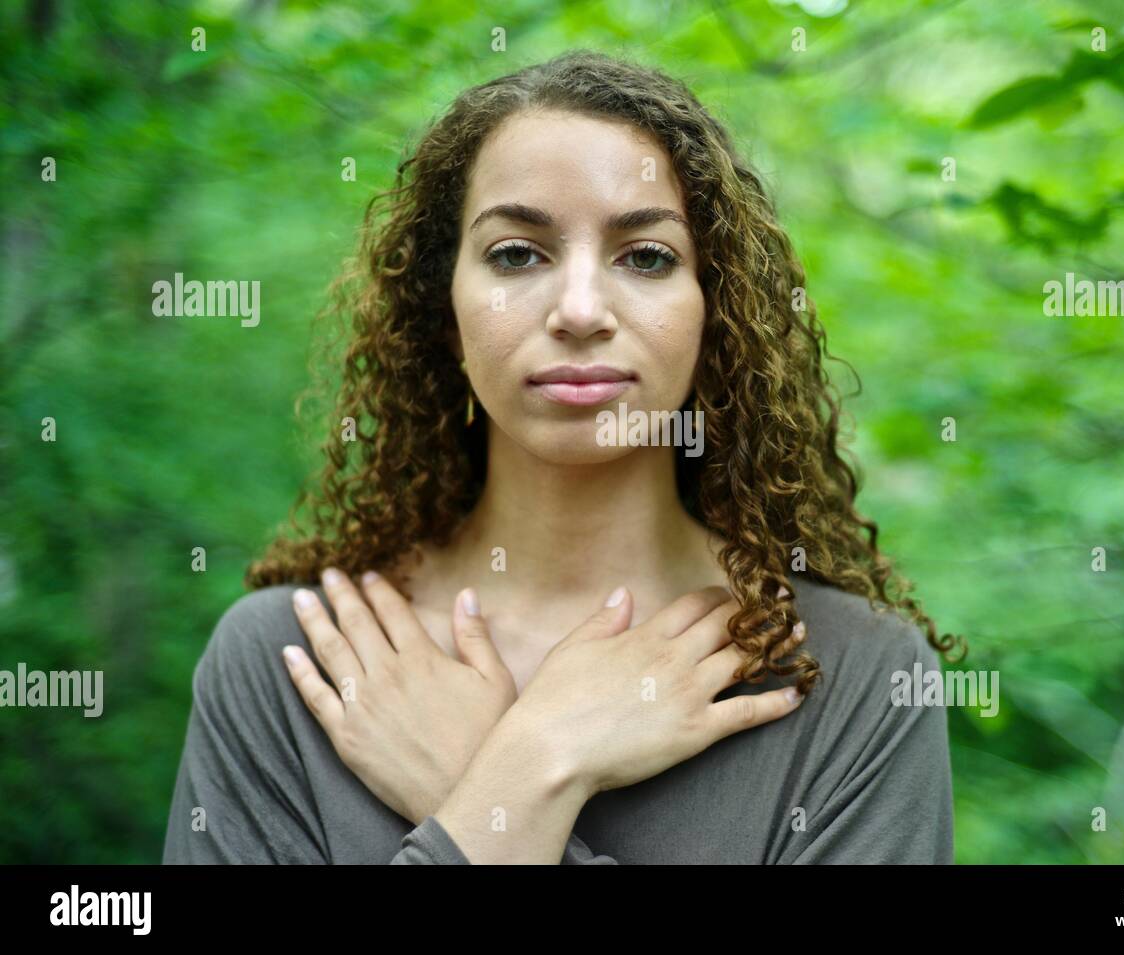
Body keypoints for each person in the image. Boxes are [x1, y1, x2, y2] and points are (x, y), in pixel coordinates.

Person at [162, 49, 961, 865]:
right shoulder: (298, 660)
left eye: (645, 256)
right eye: (517, 254)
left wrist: (501, 786)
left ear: (714, 314)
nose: (580, 311)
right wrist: (532, 770)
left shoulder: (855, 672)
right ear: (445, 314)